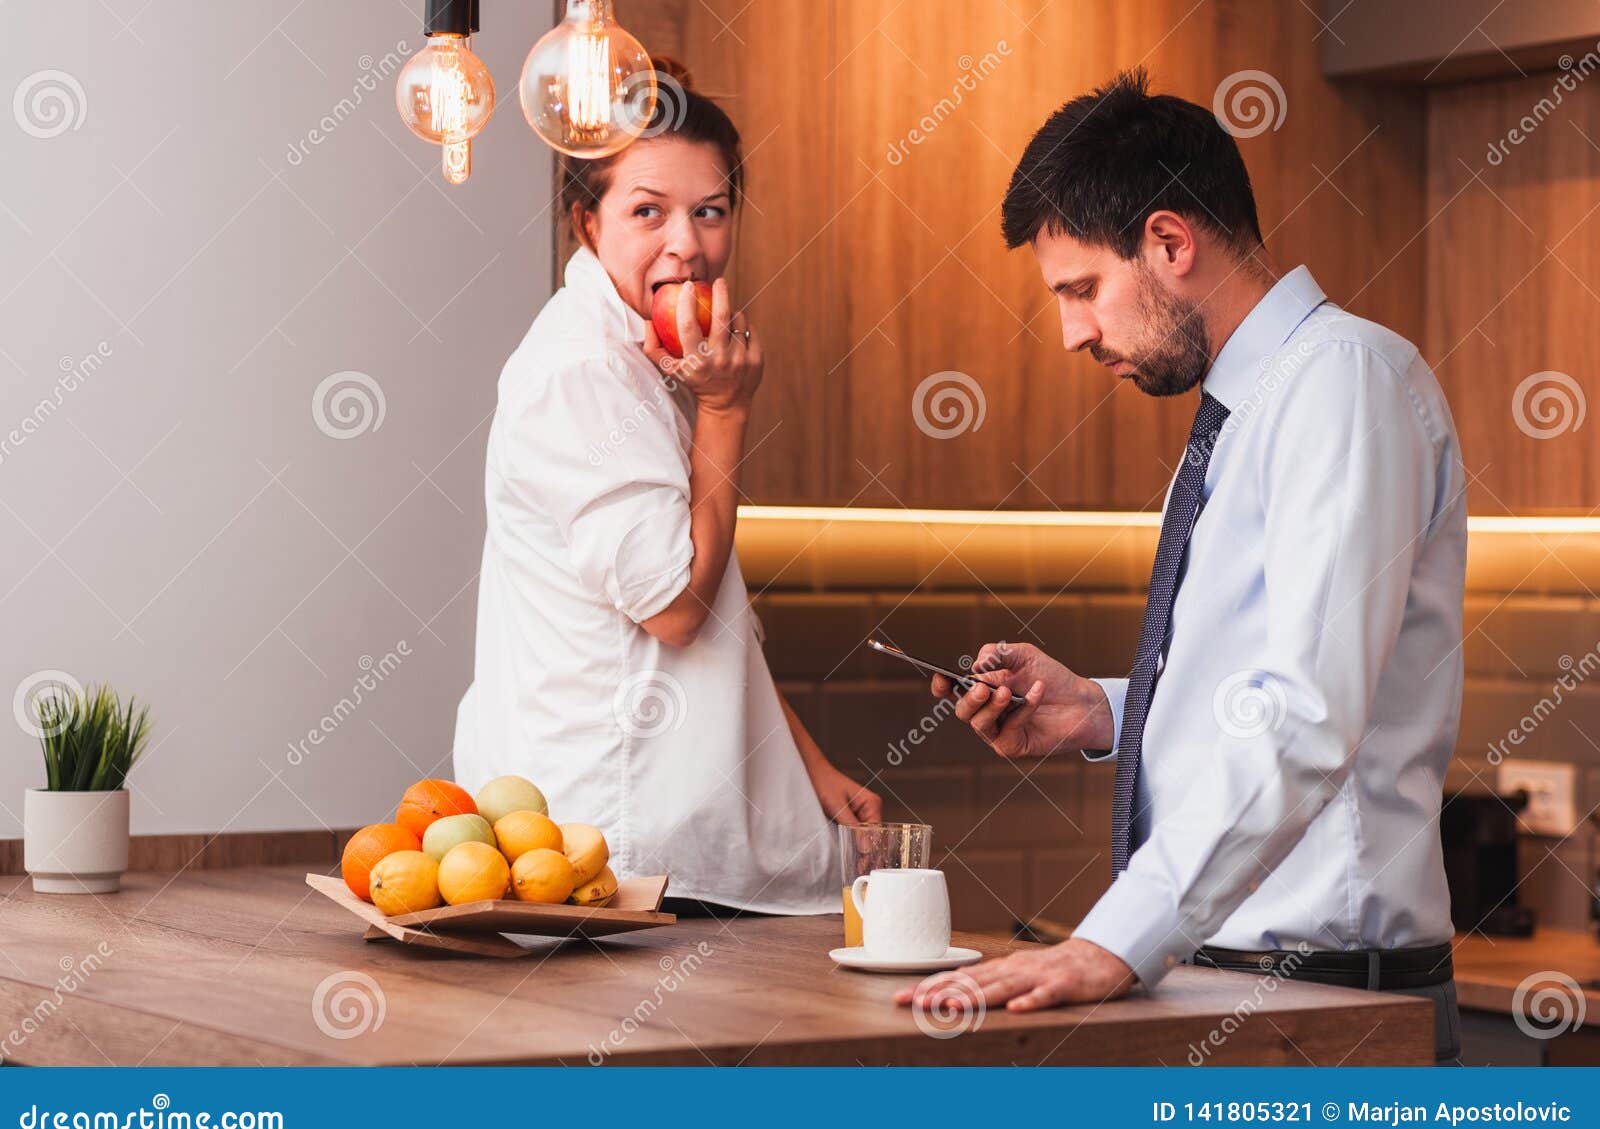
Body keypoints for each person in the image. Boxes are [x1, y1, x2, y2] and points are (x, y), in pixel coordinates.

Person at [898, 70, 1466, 1063]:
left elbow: (1305, 711)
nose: (1073, 330)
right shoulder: (1243, 411)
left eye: (1081, 289)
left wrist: (1112, 938)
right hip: (1230, 982)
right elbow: (1266, 676)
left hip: (1325, 1012)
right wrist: (1108, 710)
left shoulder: (1340, 383)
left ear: (1169, 242)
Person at [454, 60, 881, 917]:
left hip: (635, 839)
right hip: (623, 849)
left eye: (710, 211)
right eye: (647, 211)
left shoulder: (635, 355)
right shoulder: (585, 372)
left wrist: (805, 763)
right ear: (588, 221)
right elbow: (675, 608)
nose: (686, 243)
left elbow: (706, 602)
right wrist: (726, 410)